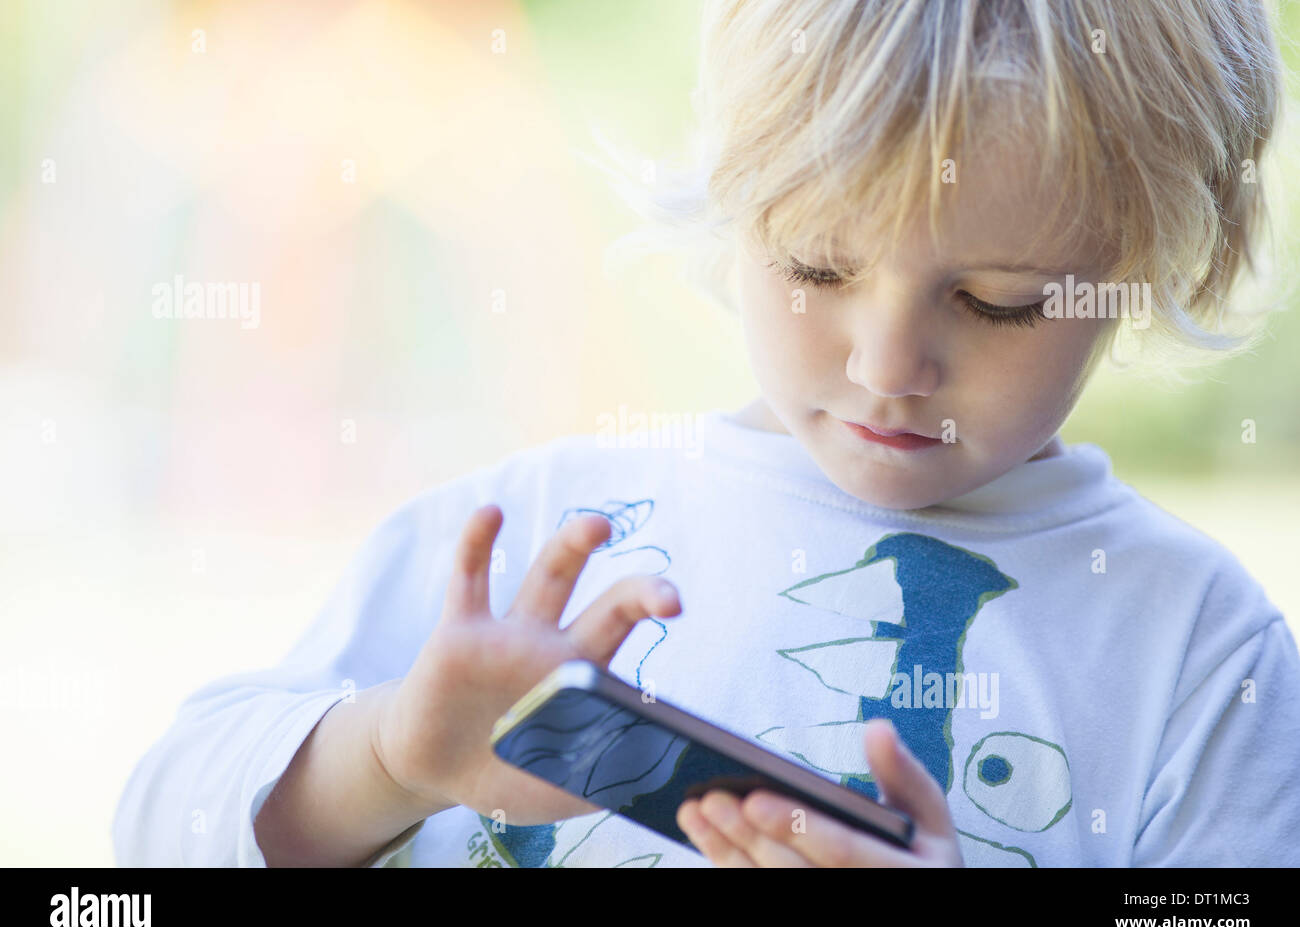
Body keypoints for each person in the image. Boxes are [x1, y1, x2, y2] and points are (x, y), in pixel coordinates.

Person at [113, 0, 1300, 867]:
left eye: (997, 299)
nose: (885, 366)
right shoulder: (539, 533)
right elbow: (150, 841)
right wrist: (383, 762)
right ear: (732, 214)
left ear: (1144, 264)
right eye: (814, 264)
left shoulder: (1197, 649)